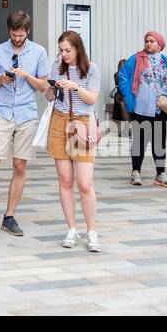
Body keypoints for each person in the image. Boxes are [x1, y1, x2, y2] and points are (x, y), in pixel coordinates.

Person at [0, 10, 49, 237]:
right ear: (9, 31)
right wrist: (0, 79)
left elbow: (43, 87)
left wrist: (26, 76)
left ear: (28, 32)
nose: (17, 39)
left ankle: (9, 217)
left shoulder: (38, 52)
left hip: (26, 113)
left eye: (21, 36)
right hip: (2, 112)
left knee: (20, 166)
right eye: (14, 35)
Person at [46, 30, 102, 252]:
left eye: (68, 50)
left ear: (78, 49)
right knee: (65, 180)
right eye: (60, 50)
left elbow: (92, 99)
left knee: (85, 183)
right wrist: (53, 86)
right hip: (59, 121)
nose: (64, 54)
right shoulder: (56, 66)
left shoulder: (91, 69)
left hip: (82, 123)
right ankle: (71, 228)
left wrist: (76, 87)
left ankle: (91, 231)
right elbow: (48, 97)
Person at [116, 31, 167, 188]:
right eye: (147, 41)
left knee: (159, 142)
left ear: (159, 44)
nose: (148, 43)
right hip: (141, 108)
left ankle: (161, 174)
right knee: (140, 141)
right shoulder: (136, 59)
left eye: (152, 41)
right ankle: (136, 172)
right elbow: (123, 77)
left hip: (162, 109)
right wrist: (128, 95)